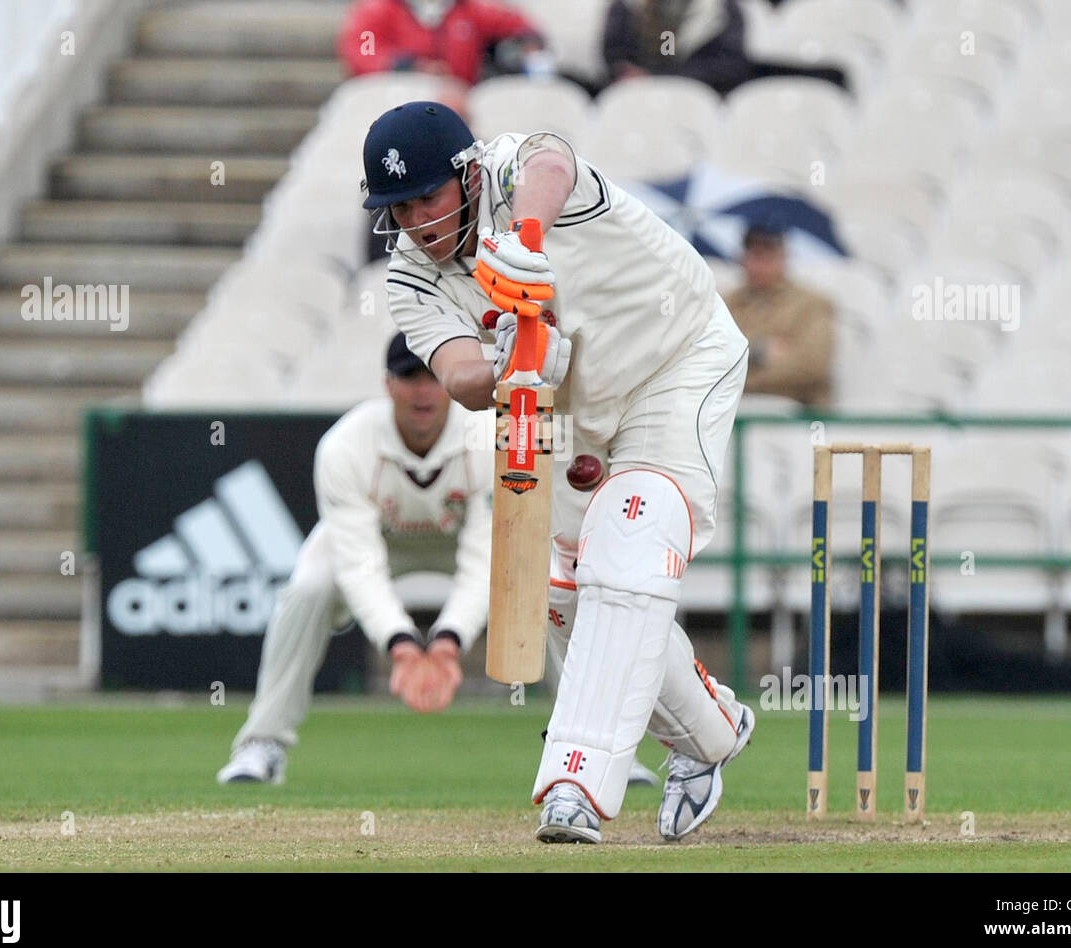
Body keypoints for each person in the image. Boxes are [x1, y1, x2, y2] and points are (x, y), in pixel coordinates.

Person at [359, 101, 756, 843]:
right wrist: (506, 356)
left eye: (427, 198)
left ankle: (576, 780)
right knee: (569, 589)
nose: (416, 221)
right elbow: (461, 377)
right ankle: (710, 733)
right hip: (567, 405)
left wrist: (525, 242)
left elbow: (552, 160)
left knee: (635, 536)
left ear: (468, 174)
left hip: (677, 356)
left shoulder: (515, 169)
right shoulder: (412, 280)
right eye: (399, 207)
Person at [216, 334, 490, 784]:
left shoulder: (487, 437)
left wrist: (447, 641)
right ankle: (262, 743)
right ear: (387, 385)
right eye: (409, 378)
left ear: (452, 386)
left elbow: (485, 561)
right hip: (374, 544)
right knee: (308, 588)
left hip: (457, 545)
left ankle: (588, 750)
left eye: (433, 378)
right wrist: (401, 644)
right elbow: (360, 564)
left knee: (550, 583)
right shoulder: (345, 445)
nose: (422, 392)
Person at [601, 0, 848, 94]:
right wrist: (628, 73)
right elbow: (614, 57)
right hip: (637, 100)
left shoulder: (720, 11)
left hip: (705, 100)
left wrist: (654, 78)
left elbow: (727, 68)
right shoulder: (627, 9)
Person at [722, 223, 835, 407]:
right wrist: (760, 352)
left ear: (783, 258)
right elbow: (712, 355)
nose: (760, 264)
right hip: (734, 409)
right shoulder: (726, 304)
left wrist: (740, 378)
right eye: (754, 254)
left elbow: (812, 366)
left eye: (769, 255)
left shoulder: (811, 304)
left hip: (798, 414)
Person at [338, 0, 547, 88]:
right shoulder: (376, 10)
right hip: (396, 100)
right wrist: (409, 66)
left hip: (460, 100)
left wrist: (528, 41)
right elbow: (362, 52)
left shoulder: (466, 9)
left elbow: (514, 23)